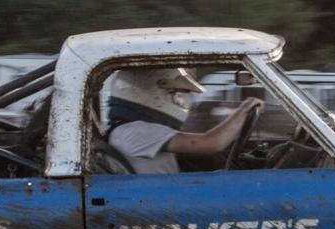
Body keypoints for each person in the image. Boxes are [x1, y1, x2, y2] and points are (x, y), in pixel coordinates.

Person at [102, 67, 264, 175]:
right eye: (177, 92)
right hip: (161, 201)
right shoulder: (135, 131)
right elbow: (211, 143)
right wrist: (243, 110)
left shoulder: (132, 130)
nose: (183, 98)